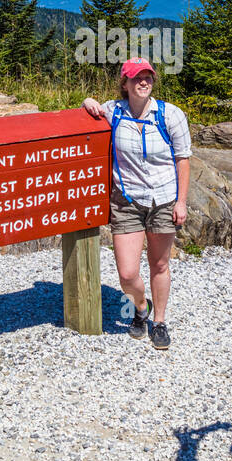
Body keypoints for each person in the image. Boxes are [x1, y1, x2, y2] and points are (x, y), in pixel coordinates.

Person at [81, 57, 192, 350]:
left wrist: (181, 202)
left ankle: (160, 322)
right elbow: (90, 108)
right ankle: (142, 307)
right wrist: (87, 102)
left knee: (160, 264)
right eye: (136, 78)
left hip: (163, 199)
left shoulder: (171, 114)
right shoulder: (113, 111)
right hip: (127, 200)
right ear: (125, 83)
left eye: (148, 77)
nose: (143, 82)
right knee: (127, 273)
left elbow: (183, 159)